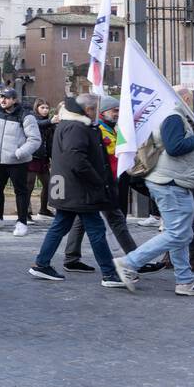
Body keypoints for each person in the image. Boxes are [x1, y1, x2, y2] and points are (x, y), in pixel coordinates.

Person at [27, 95, 140, 290]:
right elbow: (76, 159)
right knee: (96, 230)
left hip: (72, 188)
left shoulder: (70, 124)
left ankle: (42, 263)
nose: (97, 113)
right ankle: (109, 273)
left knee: (60, 225)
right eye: (95, 109)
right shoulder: (77, 127)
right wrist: (97, 180)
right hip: (80, 189)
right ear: (88, 110)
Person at [115, 87, 194, 296]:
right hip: (171, 183)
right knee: (178, 233)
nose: (191, 102)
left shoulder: (169, 115)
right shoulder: (173, 116)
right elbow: (175, 147)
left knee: (181, 234)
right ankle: (128, 263)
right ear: (185, 98)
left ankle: (185, 281)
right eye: (190, 98)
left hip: (174, 182)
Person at [61, 96, 138, 272]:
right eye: (115, 110)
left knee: (81, 219)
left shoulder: (108, 129)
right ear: (103, 112)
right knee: (116, 219)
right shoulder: (98, 129)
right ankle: (136, 259)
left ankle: (70, 257)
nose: (118, 114)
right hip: (101, 181)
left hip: (104, 180)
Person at [0, 88, 41, 236]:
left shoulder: (26, 116)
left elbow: (34, 140)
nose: (3, 100)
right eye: (1, 97)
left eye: (7, 98)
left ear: (15, 100)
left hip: (17, 161)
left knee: (20, 191)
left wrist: (19, 153)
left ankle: (22, 222)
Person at [25, 99, 55, 220]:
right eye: (42, 107)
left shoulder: (49, 123)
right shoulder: (32, 118)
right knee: (29, 185)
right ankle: (25, 212)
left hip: (43, 158)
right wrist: (50, 121)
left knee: (48, 184)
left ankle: (43, 209)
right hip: (33, 157)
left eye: (47, 108)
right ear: (36, 108)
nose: (45, 110)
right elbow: (38, 124)